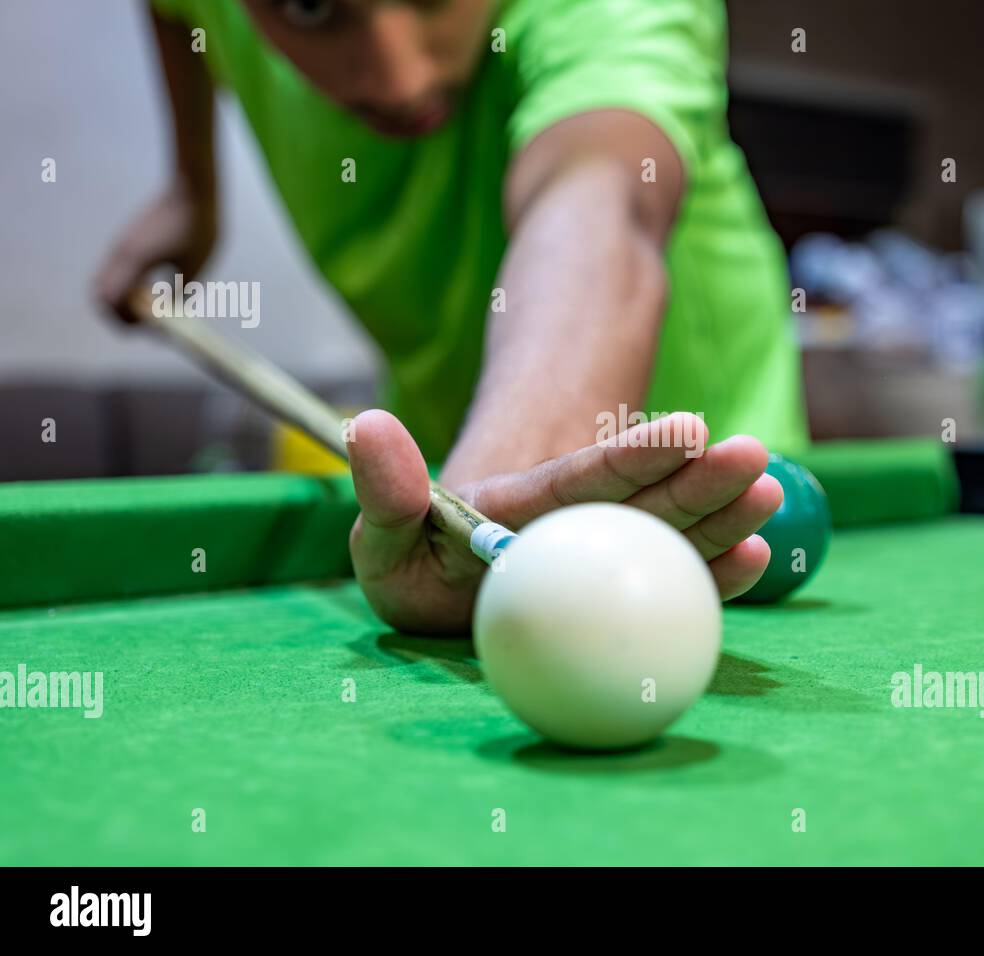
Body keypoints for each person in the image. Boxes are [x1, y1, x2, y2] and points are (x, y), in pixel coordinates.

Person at [96, 0, 807, 631]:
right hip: (448, 454)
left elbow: (599, 202)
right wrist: (194, 187)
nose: (395, 79)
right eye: (310, 7)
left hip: (708, 491)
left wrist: (478, 525)